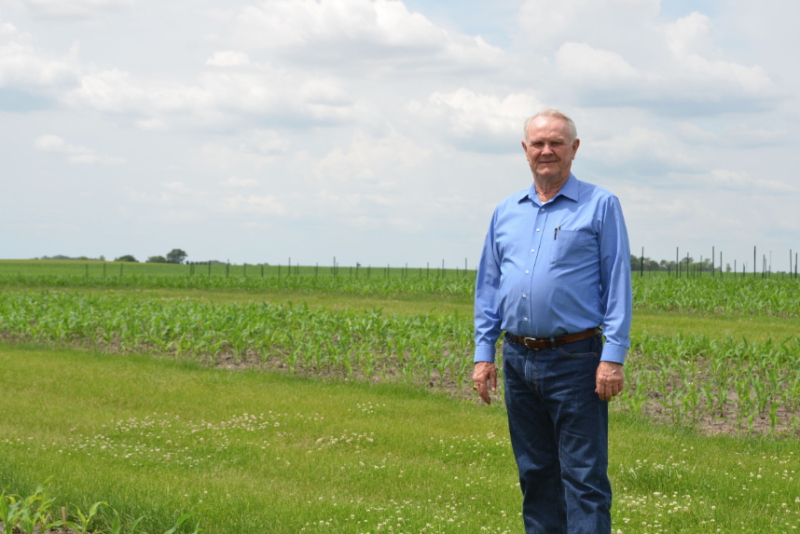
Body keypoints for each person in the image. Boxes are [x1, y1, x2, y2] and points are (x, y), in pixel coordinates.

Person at [472, 109, 631, 534]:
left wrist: (613, 357)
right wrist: (484, 354)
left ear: (574, 149)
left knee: (584, 479)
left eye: (556, 143)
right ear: (525, 150)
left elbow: (617, 285)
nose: (547, 151)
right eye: (538, 143)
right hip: (517, 359)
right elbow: (489, 287)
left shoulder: (600, 205)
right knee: (535, 475)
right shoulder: (506, 211)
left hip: (576, 360)